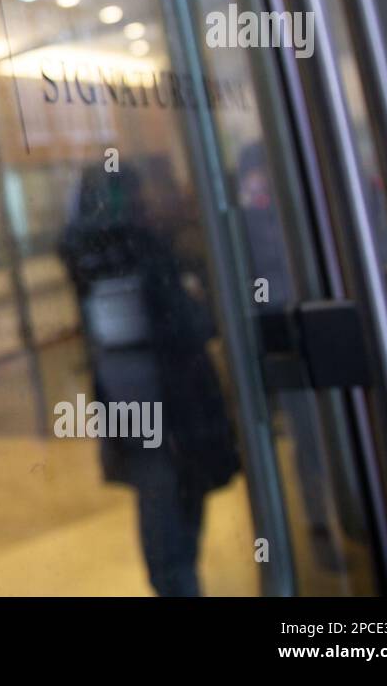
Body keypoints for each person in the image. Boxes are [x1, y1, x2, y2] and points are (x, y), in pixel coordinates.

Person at [58, 167, 239, 596]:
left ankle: (178, 579)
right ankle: (178, 582)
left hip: (155, 389)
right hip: (146, 391)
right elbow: (189, 320)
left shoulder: (134, 247)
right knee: (164, 496)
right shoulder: (128, 248)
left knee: (176, 489)